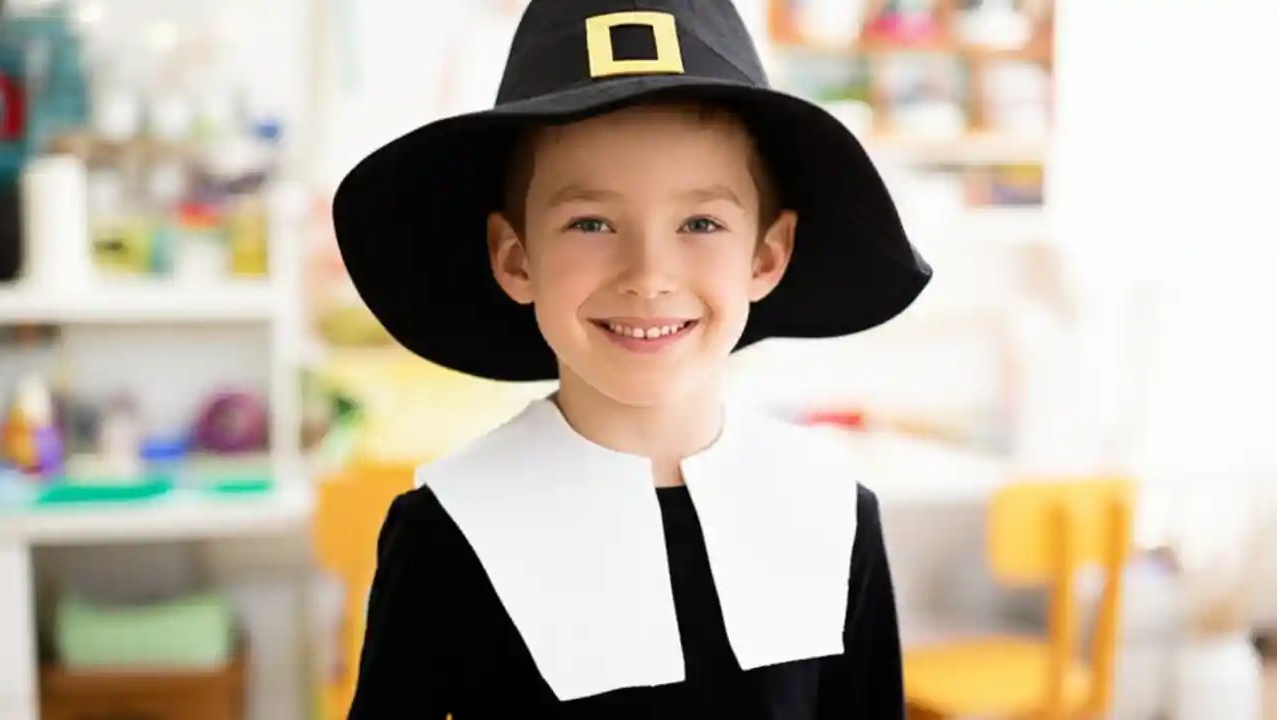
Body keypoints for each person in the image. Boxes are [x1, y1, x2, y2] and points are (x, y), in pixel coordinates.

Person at [333, 0, 933, 716]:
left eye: (700, 222)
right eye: (590, 223)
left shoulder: (831, 512)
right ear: (516, 259)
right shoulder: (449, 528)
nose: (648, 275)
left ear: (766, 256)